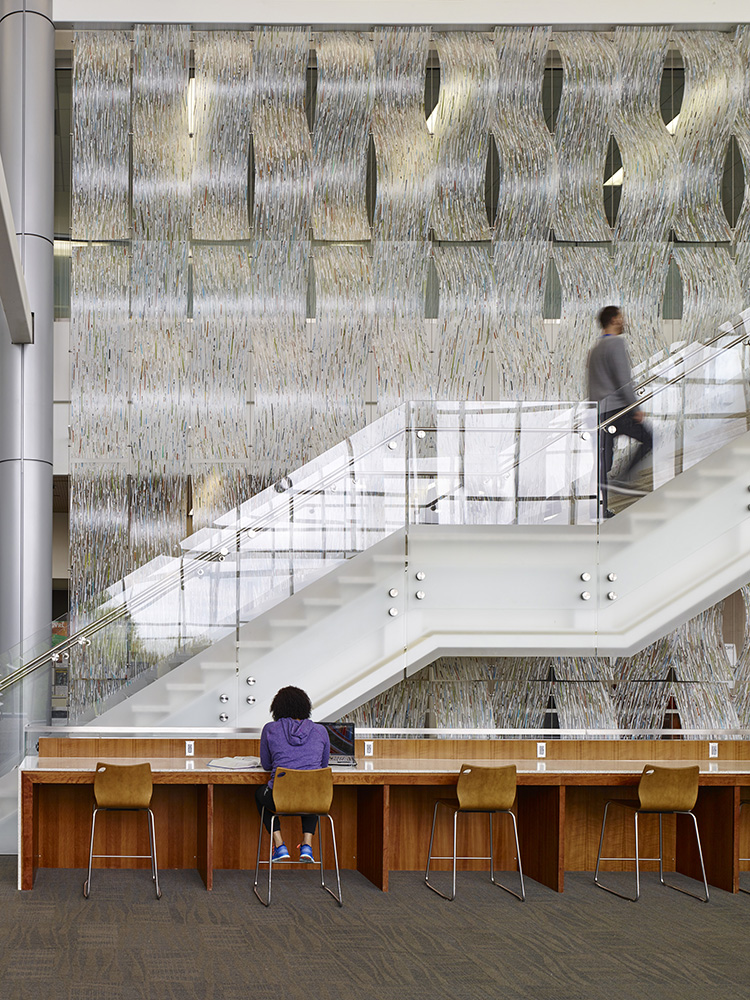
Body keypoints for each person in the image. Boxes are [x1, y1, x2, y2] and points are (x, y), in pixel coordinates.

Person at [587, 305, 653, 518]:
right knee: (648, 438)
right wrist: (635, 407)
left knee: (603, 462)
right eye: (621, 317)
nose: (623, 321)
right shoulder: (616, 344)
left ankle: (602, 509)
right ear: (614, 319)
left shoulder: (595, 349)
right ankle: (624, 478)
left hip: (600, 413)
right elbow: (623, 380)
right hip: (619, 410)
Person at [256, 685, 330, 863]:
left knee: (259, 794)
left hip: (279, 798)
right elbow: (323, 766)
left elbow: (266, 765)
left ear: (277, 708)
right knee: (310, 790)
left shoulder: (270, 729)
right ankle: (307, 845)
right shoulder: (321, 731)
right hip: (315, 798)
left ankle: (280, 845)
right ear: (306, 707)